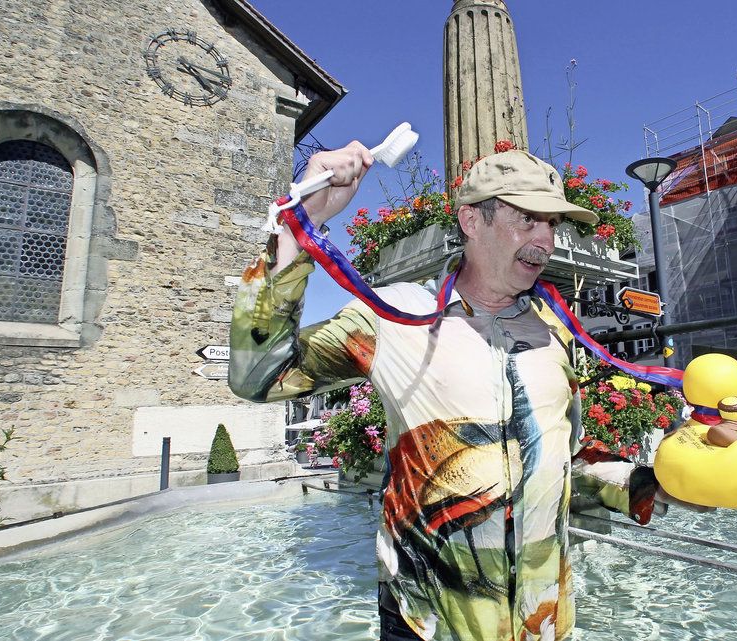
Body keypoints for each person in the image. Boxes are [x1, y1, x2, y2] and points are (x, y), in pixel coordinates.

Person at [229, 143, 702, 641]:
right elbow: (260, 374)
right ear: (472, 220)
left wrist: (656, 483)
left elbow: (565, 462)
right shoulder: (394, 316)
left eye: (552, 223)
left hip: (542, 623)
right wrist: (296, 232)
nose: (544, 240)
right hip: (429, 624)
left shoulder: (556, 331)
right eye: (527, 218)